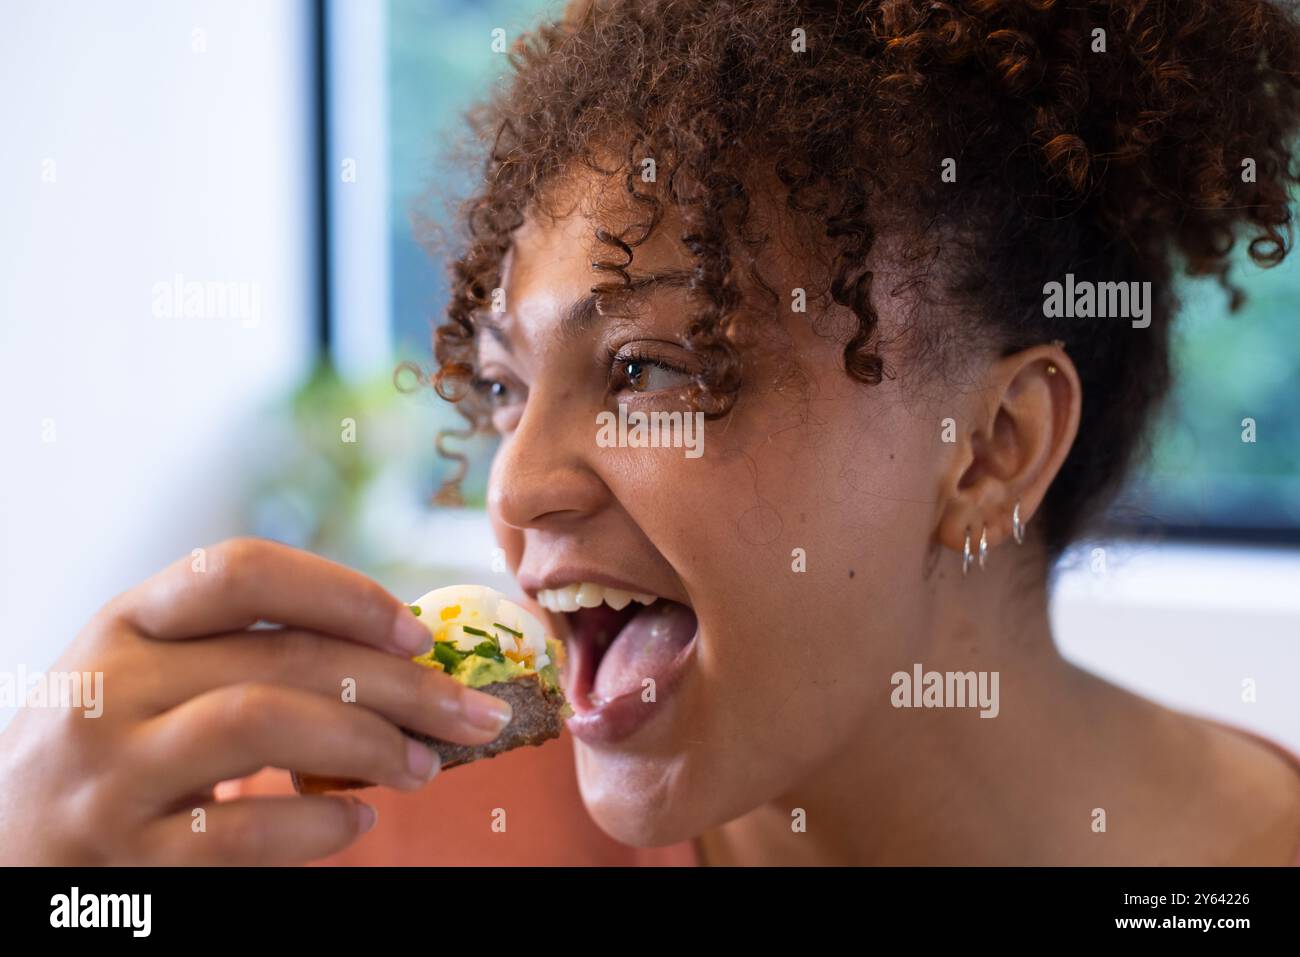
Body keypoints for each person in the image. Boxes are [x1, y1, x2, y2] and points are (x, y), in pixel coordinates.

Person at [5, 0, 1300, 866]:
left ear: (993, 447)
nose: (514, 484)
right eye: (507, 387)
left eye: (651, 369)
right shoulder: (358, 829)